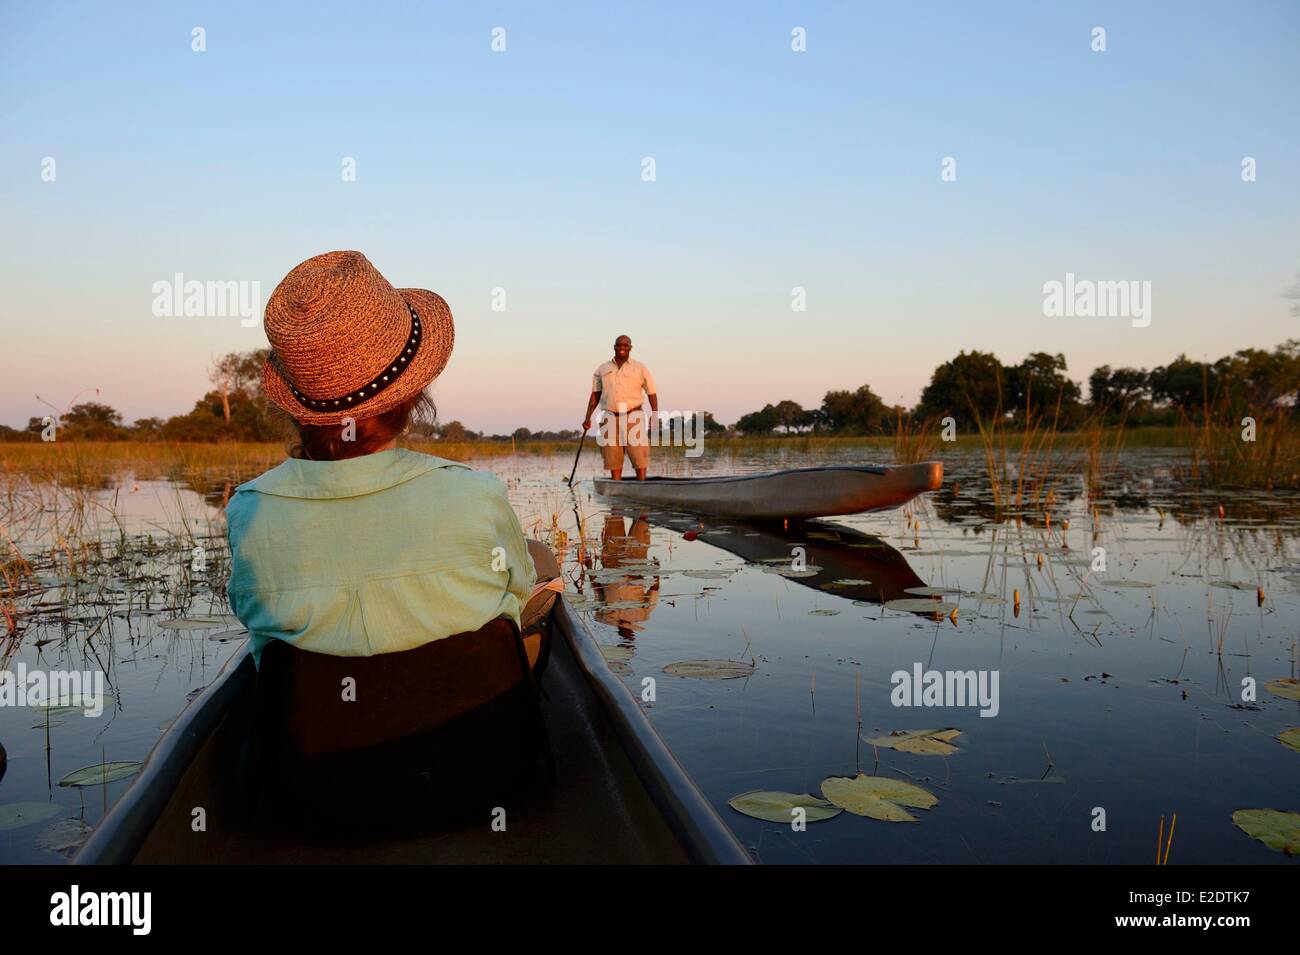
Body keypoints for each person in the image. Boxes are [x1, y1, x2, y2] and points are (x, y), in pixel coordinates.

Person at [225, 250, 559, 672]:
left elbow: (248, 609)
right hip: (475, 724)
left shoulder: (249, 510)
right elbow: (516, 589)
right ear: (408, 398)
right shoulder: (476, 494)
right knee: (539, 561)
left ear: (299, 409)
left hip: (311, 732)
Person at [583, 334, 659, 480]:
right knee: (613, 456)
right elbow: (595, 395)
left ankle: (642, 485)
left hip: (633, 416)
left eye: (625, 345)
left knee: (639, 454)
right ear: (614, 347)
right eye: (619, 345)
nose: (621, 348)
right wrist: (587, 418)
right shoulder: (602, 368)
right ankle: (617, 487)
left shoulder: (640, 368)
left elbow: (652, 392)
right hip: (610, 417)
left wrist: (654, 414)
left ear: (630, 348)